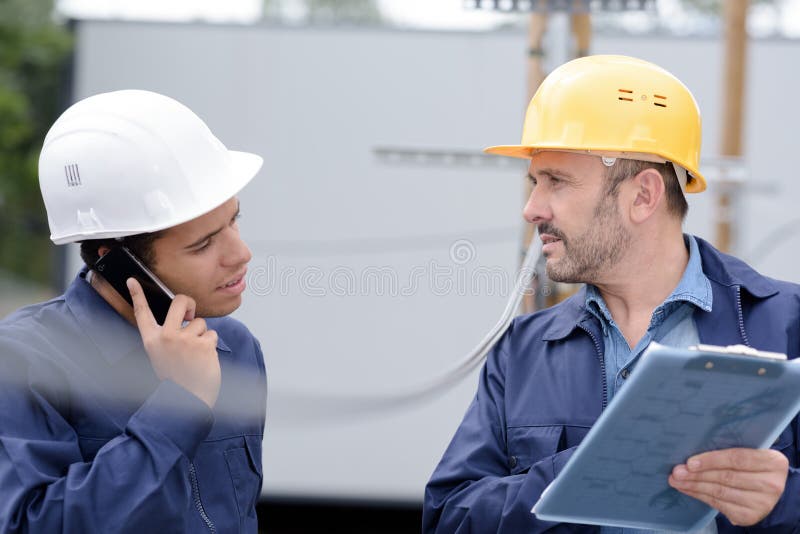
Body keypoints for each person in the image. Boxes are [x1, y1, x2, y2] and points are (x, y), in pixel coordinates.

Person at [423, 55, 800, 533]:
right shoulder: (521, 351)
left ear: (643, 196)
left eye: (556, 181)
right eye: (535, 182)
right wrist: (581, 475)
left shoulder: (787, 324)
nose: (532, 208)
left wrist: (784, 503)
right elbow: (447, 518)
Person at [0, 90, 266, 532]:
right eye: (203, 244)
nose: (242, 254)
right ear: (115, 261)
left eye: (234, 220)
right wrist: (179, 405)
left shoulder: (235, 348)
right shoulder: (23, 360)